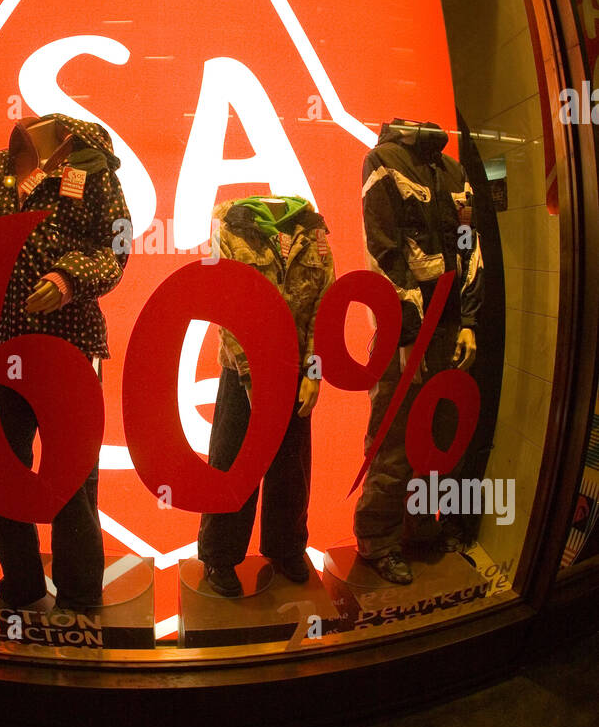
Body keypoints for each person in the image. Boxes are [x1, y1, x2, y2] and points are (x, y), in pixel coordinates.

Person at [0, 113, 130, 612]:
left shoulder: (91, 168)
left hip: (69, 347)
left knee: (72, 480)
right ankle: (23, 585)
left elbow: (118, 248)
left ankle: (80, 598)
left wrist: (68, 278)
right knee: (0, 471)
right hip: (0, 345)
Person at [353, 118, 484, 585]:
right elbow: (382, 250)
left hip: (448, 322)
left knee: (437, 433)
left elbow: (470, 245)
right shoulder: (383, 160)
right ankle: (378, 543)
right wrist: (408, 333)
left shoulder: (452, 170)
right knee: (393, 433)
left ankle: (422, 528)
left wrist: (468, 320)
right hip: (405, 325)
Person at [197, 195, 335, 597]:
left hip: (294, 370)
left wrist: (314, 371)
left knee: (292, 465)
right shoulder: (230, 230)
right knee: (233, 462)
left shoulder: (314, 233)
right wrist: (251, 376)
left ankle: (286, 547)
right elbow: (226, 308)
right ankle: (218, 556)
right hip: (241, 371)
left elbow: (323, 308)